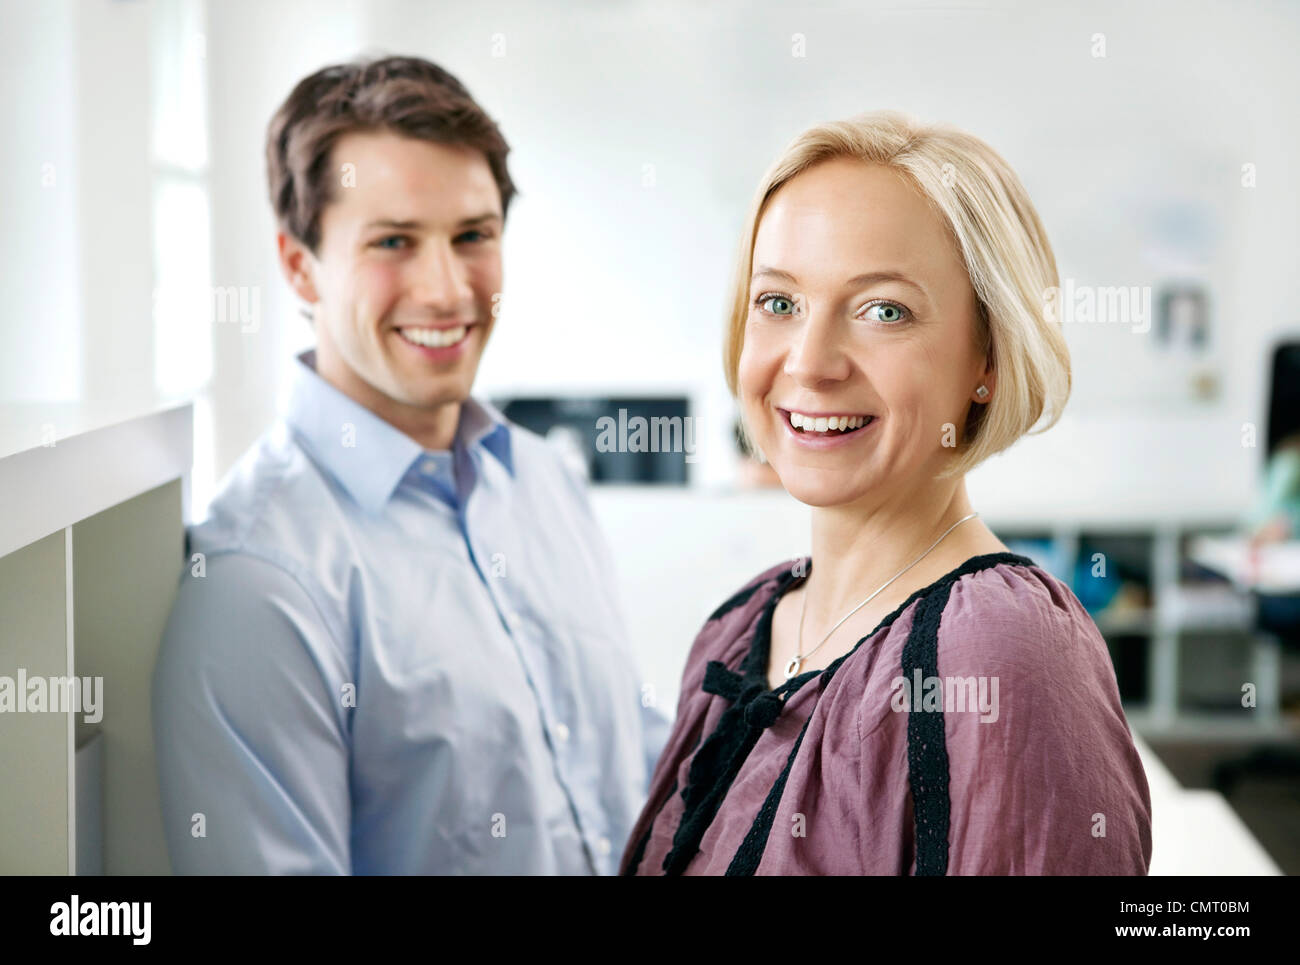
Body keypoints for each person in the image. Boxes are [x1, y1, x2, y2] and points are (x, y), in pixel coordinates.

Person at [153, 55, 669, 874]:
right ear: (298, 265)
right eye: (393, 241)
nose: (445, 289)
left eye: (474, 236)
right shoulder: (260, 581)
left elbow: (642, 779)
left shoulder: (544, 481)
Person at [621, 111, 1152, 875]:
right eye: (779, 302)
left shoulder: (1001, 650)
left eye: (883, 310)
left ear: (989, 359)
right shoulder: (739, 629)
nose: (810, 362)